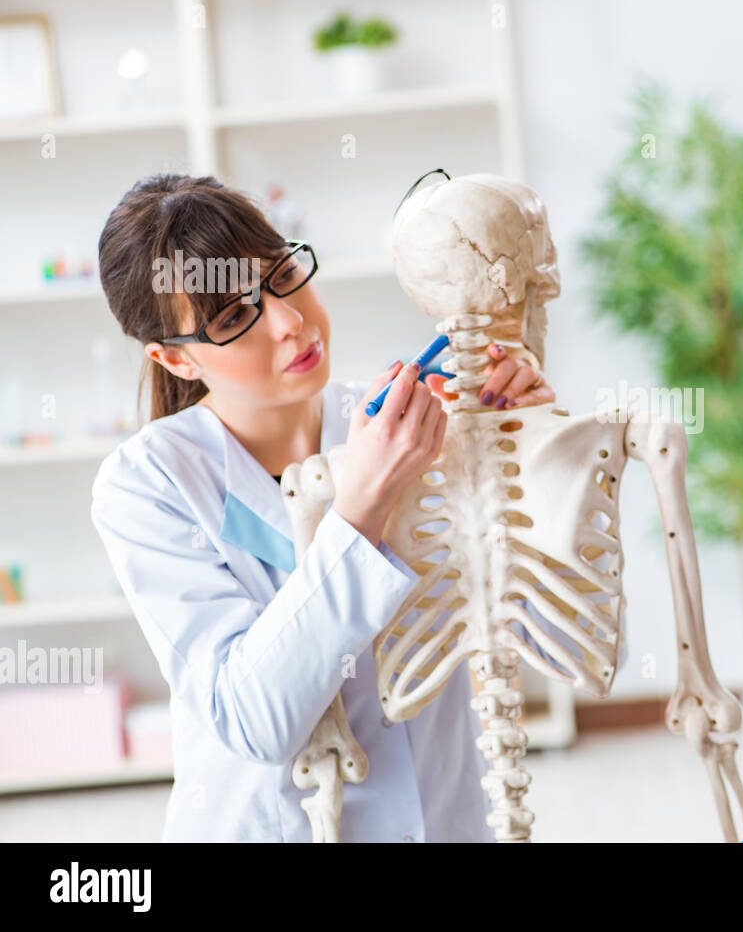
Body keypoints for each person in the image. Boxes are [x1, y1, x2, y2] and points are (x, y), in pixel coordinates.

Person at [90, 173, 559, 841]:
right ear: (176, 359)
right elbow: (258, 719)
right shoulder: (146, 486)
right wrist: (363, 510)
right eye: (232, 317)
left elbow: (557, 644)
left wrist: (532, 461)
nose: (290, 321)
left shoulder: (417, 421)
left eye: (282, 275)